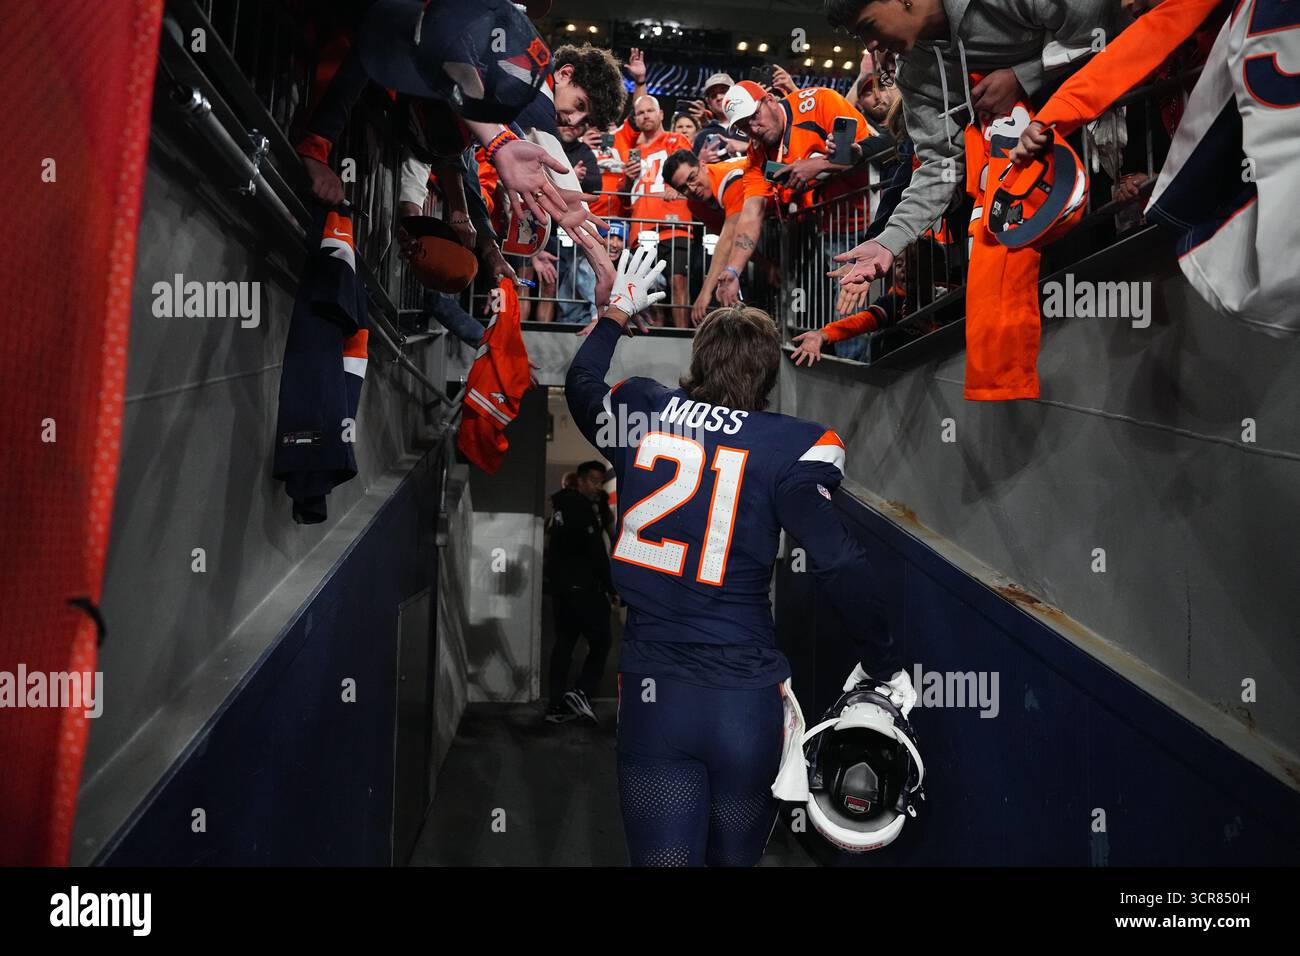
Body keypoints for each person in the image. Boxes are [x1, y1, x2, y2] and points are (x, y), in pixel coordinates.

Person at [565, 246, 917, 866]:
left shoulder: (643, 409)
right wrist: (883, 664)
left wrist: (617, 312)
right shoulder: (791, 445)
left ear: (697, 360)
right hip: (745, 700)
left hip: (655, 690)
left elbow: (581, 384)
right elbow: (838, 563)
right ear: (767, 378)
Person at [821, 0, 1117, 297]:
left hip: (1101, 150)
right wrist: (889, 240)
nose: (871, 45)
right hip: (1016, 202)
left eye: (868, 27)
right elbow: (940, 164)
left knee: (1106, 279)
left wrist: (1023, 77)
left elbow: (1098, 24)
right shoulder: (914, 74)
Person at [545, 460, 618, 724]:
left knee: (564, 644)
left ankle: (555, 706)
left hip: (564, 588)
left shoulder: (564, 505)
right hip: (583, 588)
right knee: (602, 642)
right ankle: (580, 692)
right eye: (594, 481)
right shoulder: (578, 508)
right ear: (581, 480)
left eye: (600, 482)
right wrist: (612, 587)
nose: (597, 487)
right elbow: (596, 553)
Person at [662, 150, 748, 324]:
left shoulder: (730, 178)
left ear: (702, 165)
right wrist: (767, 266)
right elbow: (740, 238)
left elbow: (730, 236)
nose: (692, 189)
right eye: (683, 188)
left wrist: (705, 292)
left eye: (692, 178)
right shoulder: (695, 204)